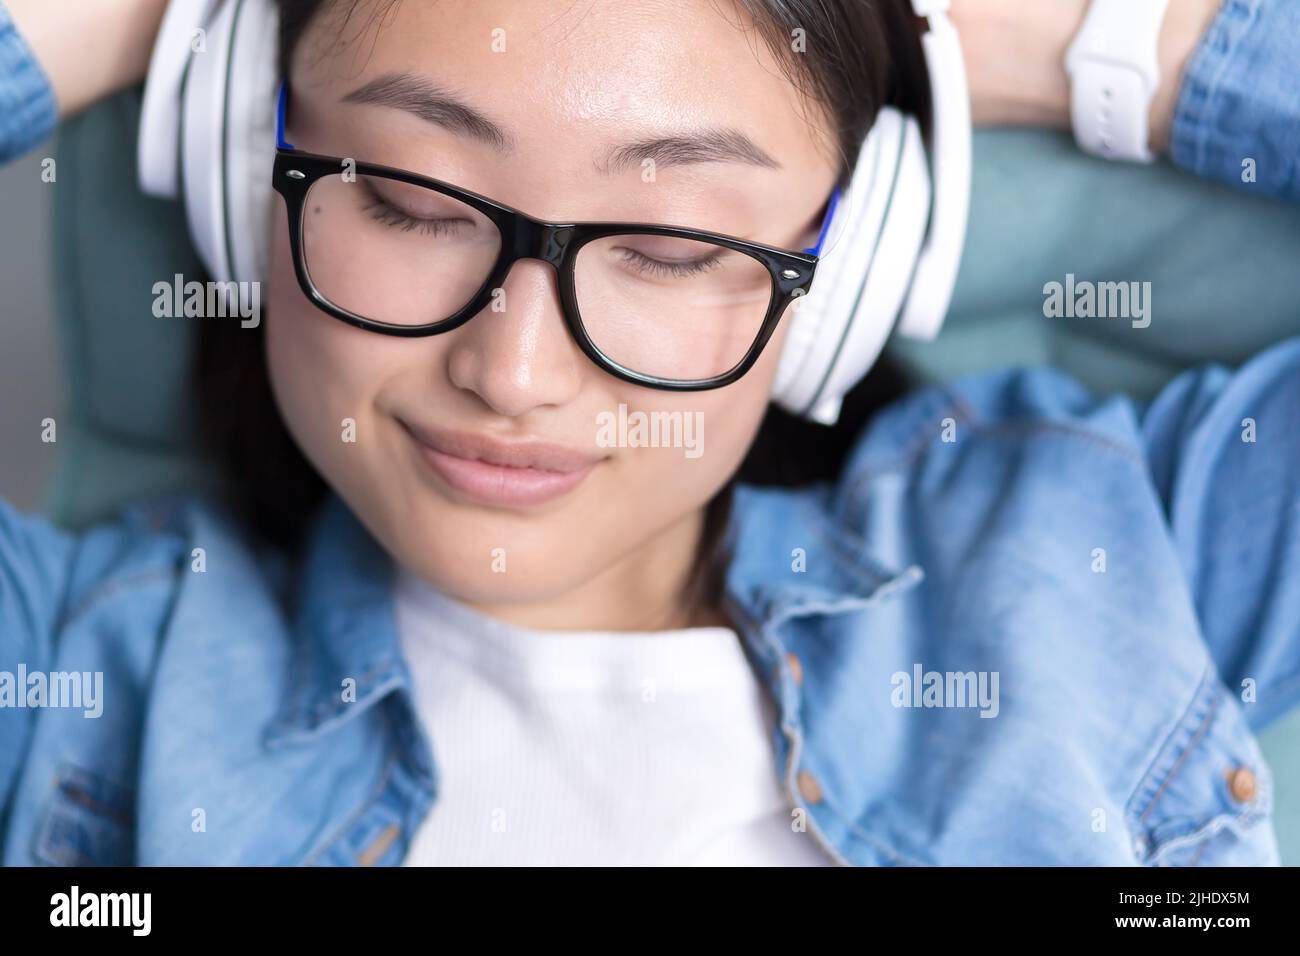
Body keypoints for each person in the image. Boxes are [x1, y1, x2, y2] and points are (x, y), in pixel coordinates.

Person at [0, 0, 1297, 866]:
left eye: (672, 250)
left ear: (847, 275)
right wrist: (144, 22)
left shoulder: (1085, 564)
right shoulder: (74, 684)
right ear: (242, 168)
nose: (512, 373)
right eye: (410, 202)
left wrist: (1107, 53)